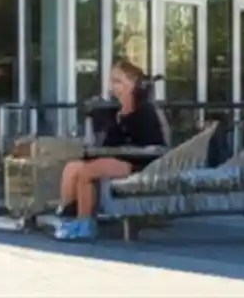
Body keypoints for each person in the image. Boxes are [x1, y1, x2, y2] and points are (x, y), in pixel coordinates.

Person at [54, 60, 167, 241]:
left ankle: (85, 224)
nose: (114, 87)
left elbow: (152, 144)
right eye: (112, 81)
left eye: (118, 81)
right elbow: (109, 143)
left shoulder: (144, 111)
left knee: (86, 172)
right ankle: (67, 216)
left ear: (132, 84)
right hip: (119, 157)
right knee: (72, 167)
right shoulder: (115, 111)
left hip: (140, 162)